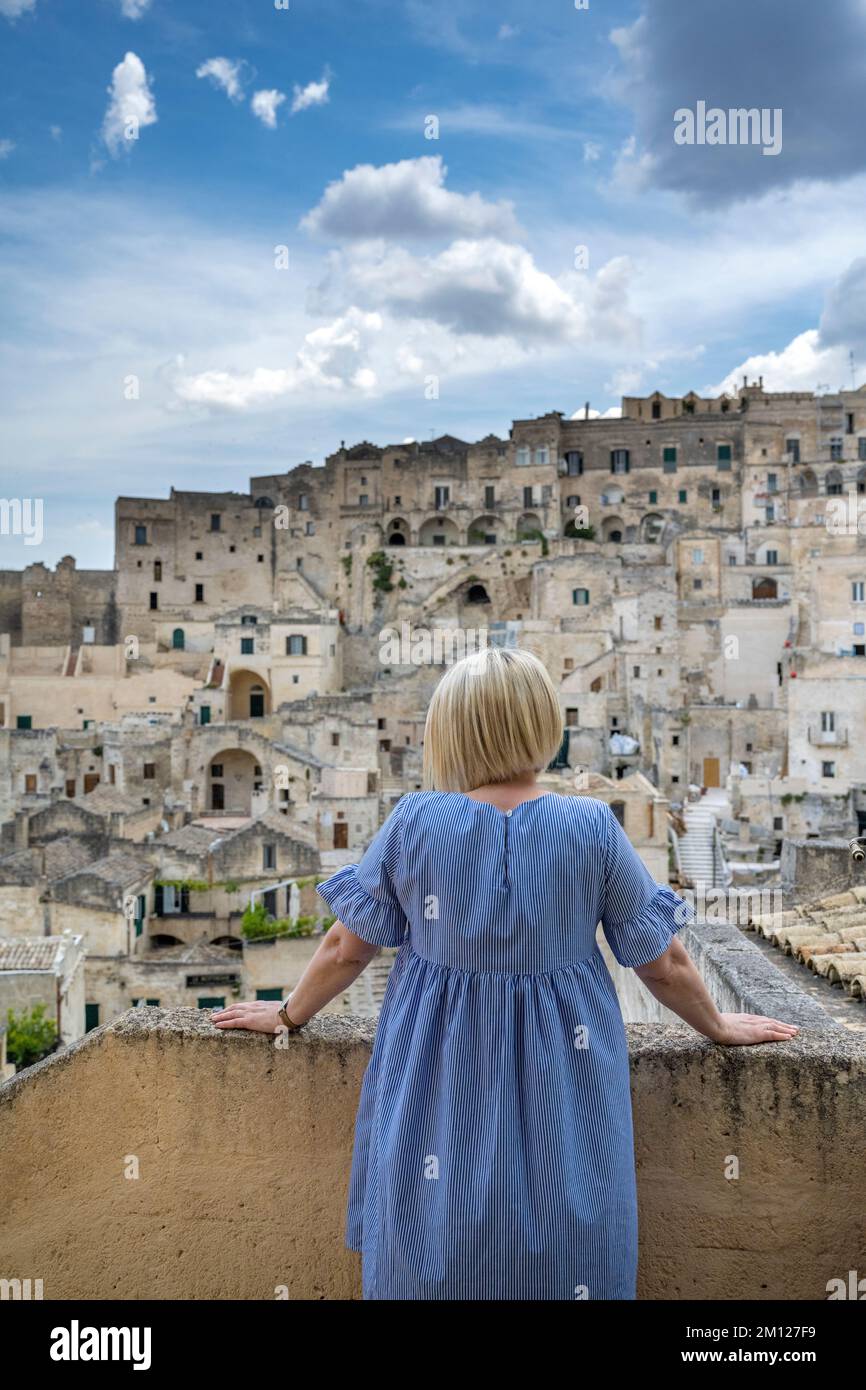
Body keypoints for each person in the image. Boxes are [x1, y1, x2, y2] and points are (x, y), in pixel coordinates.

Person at [213, 647, 797, 1300]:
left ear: (448, 735)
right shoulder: (592, 826)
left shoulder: (415, 822)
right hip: (564, 1084)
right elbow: (661, 961)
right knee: (564, 1245)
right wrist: (715, 1025)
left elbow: (347, 948)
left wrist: (288, 1014)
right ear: (545, 727)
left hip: (438, 1078)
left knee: (430, 1245)